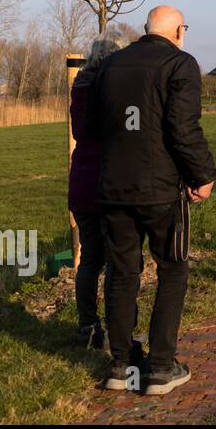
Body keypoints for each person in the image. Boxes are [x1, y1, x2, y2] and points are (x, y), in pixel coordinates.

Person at [87, 6, 216, 395]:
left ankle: (121, 365)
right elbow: (182, 126)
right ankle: (160, 366)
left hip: (113, 189)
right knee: (172, 269)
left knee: (122, 273)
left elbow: (93, 128)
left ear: (146, 30)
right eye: (184, 29)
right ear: (178, 30)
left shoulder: (108, 67)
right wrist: (203, 175)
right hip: (160, 190)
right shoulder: (180, 64)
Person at [68, 34, 123, 349]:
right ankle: (118, 329)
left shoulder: (79, 87)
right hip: (108, 185)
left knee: (89, 259)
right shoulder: (110, 89)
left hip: (81, 182)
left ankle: (87, 326)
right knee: (118, 260)